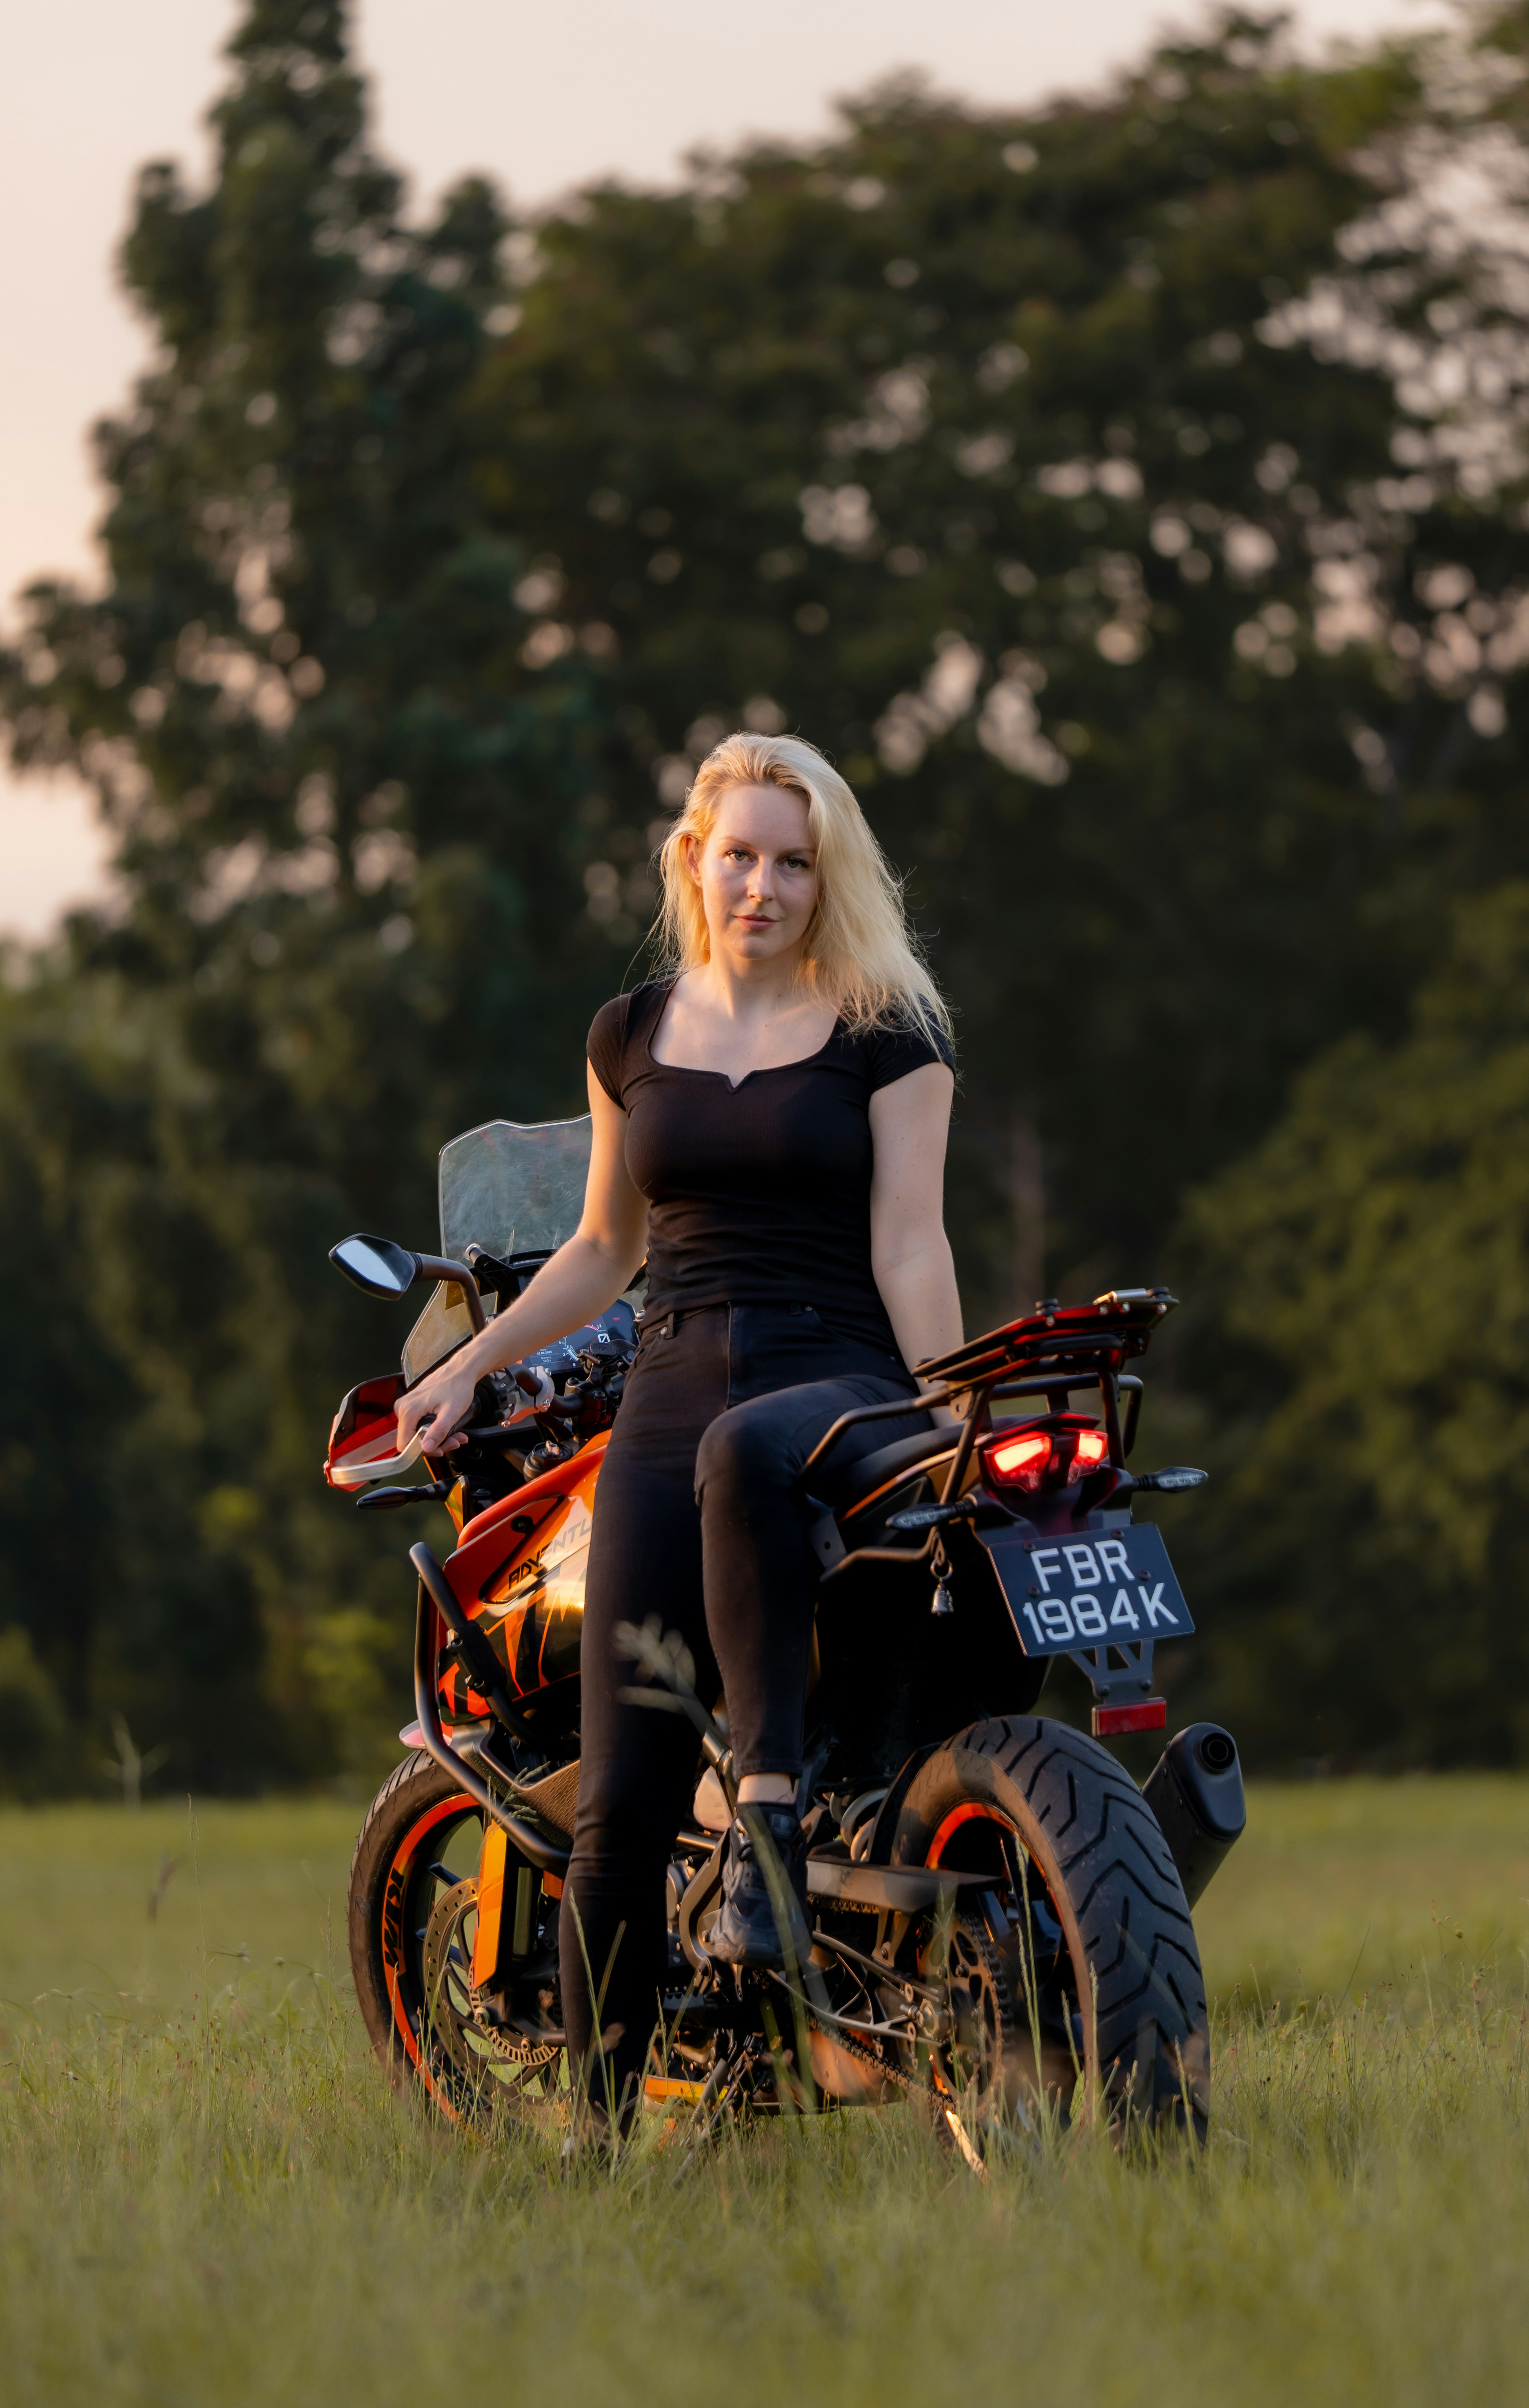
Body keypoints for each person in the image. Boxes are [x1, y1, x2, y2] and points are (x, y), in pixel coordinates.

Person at [394, 731, 960, 2129]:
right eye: (739, 856)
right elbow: (598, 1249)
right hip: (664, 1393)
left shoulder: (889, 1030)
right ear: (693, 864)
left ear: (825, 877)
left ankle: (769, 1810)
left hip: (836, 1379)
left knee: (747, 1453)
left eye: (790, 860)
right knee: (620, 1798)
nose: (761, 885)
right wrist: (469, 1366)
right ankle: (592, 2136)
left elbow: (911, 1247)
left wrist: (952, 1411)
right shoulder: (628, 1033)